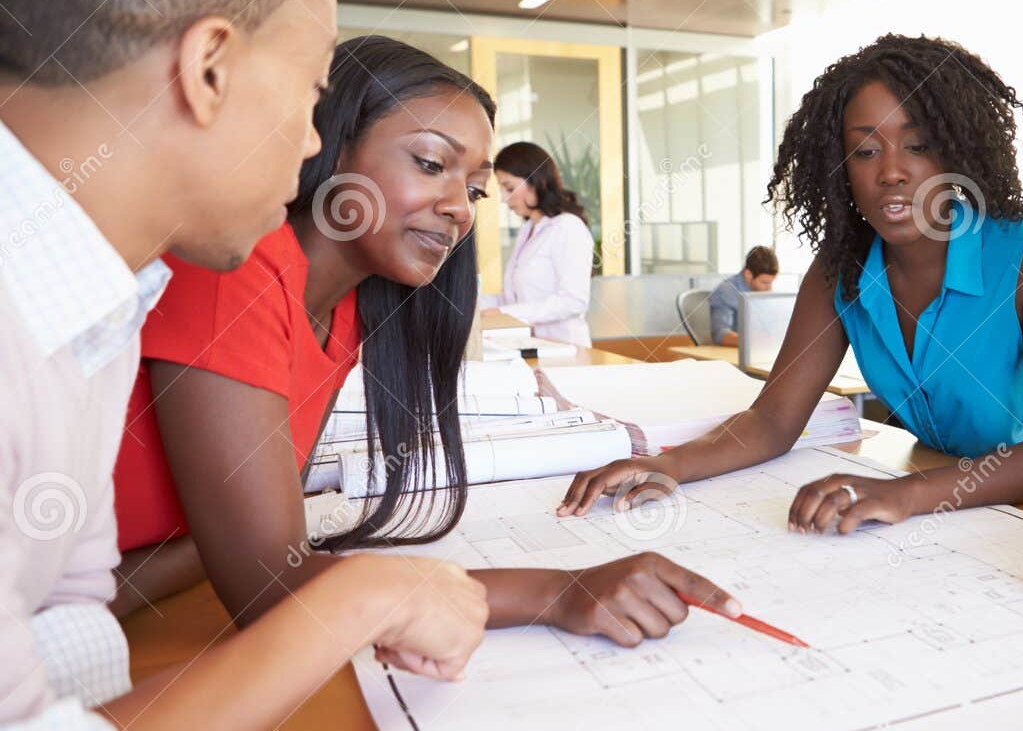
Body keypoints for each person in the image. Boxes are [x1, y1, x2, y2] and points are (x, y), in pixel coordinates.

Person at [0, 0, 488, 731]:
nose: (314, 142)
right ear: (210, 67)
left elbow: (72, 622)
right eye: (312, 95)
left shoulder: (93, 301)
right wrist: (364, 594)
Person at [112, 35, 740, 650]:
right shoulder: (237, 272)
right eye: (431, 164)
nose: (461, 211)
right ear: (331, 145)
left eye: (473, 190)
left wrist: (244, 549)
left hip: (136, 612)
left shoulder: (351, 307)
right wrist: (559, 592)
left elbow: (245, 557)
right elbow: (271, 592)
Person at [561, 34, 1023, 533]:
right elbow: (773, 420)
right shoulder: (841, 270)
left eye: (917, 145)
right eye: (865, 151)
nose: (891, 171)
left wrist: (906, 495)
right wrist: (667, 465)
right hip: (945, 509)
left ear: (957, 151)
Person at [481, 140, 594, 346]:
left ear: (538, 181)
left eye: (510, 188)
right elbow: (514, 301)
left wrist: (503, 312)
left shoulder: (567, 227)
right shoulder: (527, 230)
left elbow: (573, 301)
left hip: (566, 351)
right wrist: (471, 304)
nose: (505, 199)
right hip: (532, 348)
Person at [707, 245, 780, 346]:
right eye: (764, 282)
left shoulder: (759, 292)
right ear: (748, 274)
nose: (769, 288)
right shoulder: (725, 292)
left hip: (759, 352)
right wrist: (753, 341)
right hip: (733, 353)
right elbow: (719, 334)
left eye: (771, 282)